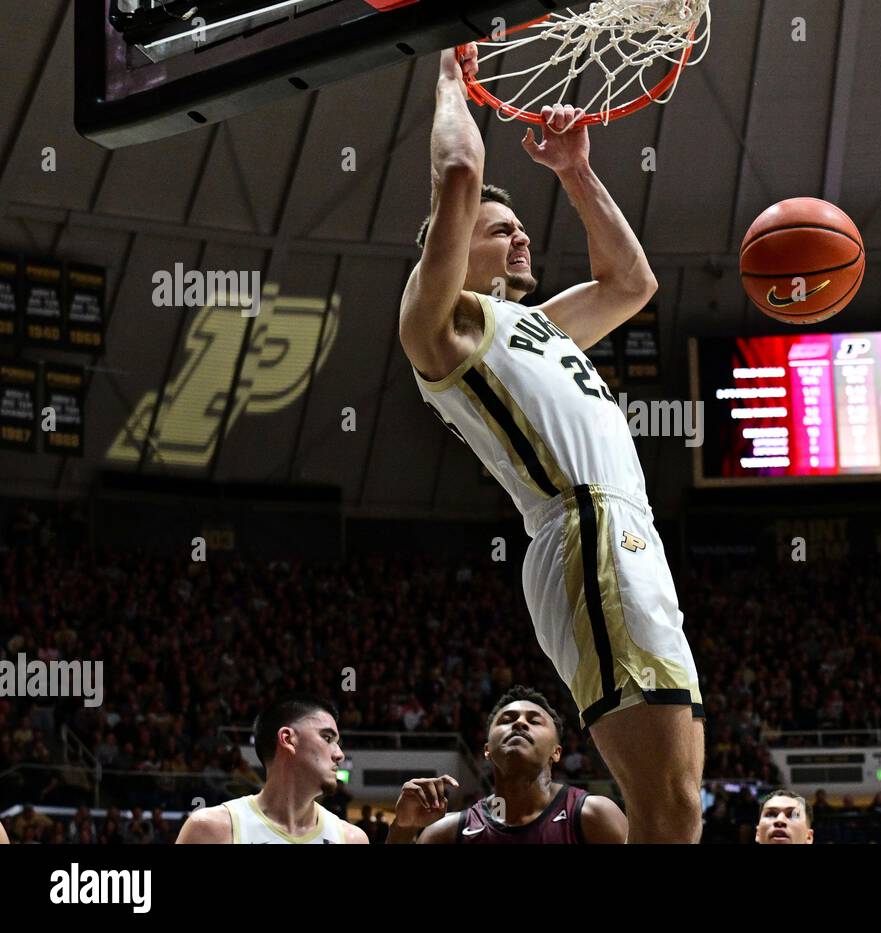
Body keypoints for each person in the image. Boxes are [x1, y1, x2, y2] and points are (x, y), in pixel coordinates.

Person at [400, 43, 702, 842]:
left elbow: (632, 284)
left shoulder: (540, 325)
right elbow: (460, 176)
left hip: (627, 531)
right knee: (667, 803)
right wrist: (448, 79)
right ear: (455, 246)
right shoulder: (449, 325)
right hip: (584, 530)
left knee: (679, 800)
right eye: (503, 232)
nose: (524, 240)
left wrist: (575, 171)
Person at [388, 686, 626, 845]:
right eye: (507, 720)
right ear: (487, 750)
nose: (519, 724)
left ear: (556, 752)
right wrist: (403, 828)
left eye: (534, 721)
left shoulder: (594, 815)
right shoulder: (448, 832)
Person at [176, 695, 367, 844]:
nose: (339, 754)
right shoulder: (211, 830)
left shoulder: (352, 839)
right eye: (327, 738)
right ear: (287, 739)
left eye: (338, 743)